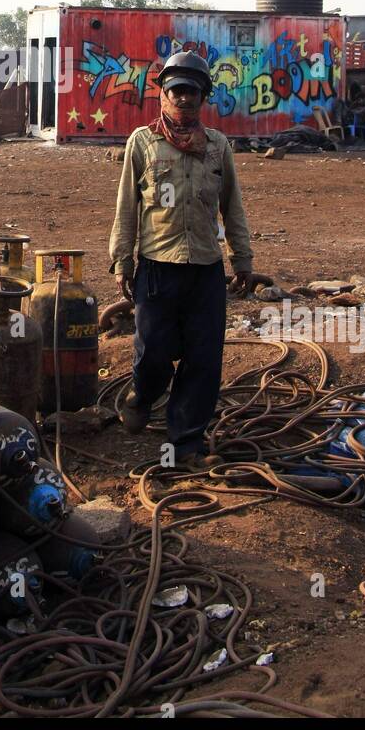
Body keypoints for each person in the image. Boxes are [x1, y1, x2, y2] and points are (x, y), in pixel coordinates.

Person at [108, 51, 254, 467]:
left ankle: (184, 445)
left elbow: (233, 208)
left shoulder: (217, 147)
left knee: (203, 359)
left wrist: (241, 257)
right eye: (176, 91)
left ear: (203, 96)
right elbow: (126, 208)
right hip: (157, 267)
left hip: (206, 269)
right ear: (163, 95)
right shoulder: (142, 143)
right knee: (154, 350)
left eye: (192, 91)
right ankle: (143, 393)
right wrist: (123, 261)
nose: (184, 99)